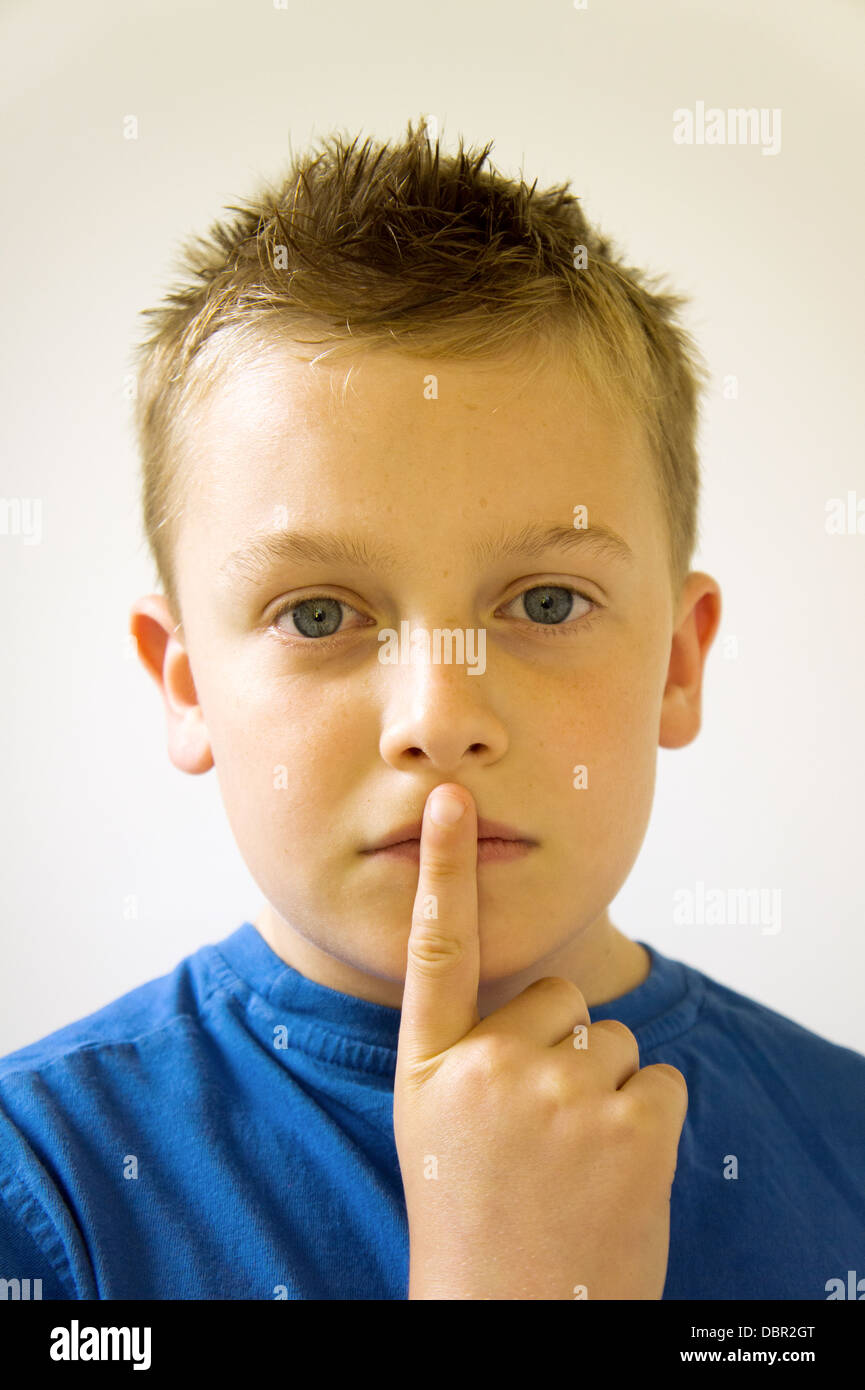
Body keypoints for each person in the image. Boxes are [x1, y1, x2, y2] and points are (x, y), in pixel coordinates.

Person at [1, 118, 862, 1300]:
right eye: (317, 615)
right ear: (185, 681)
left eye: (546, 600)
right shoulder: (39, 1188)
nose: (439, 715)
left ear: (676, 662)